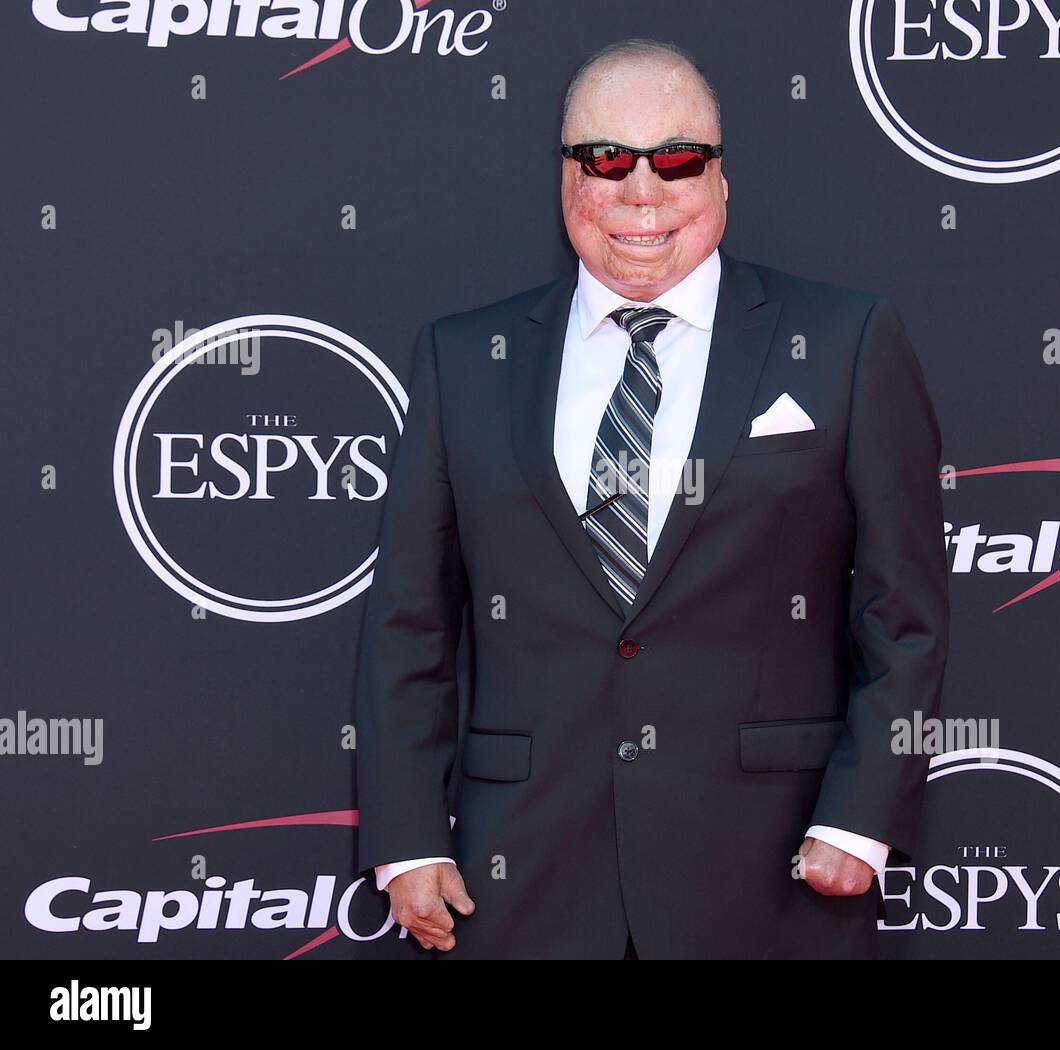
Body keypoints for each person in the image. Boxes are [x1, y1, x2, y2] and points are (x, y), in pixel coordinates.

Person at [354, 37, 949, 960]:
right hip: (522, 878)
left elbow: (904, 611)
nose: (642, 192)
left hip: (776, 873)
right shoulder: (465, 359)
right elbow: (411, 623)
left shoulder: (844, 342)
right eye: (606, 160)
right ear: (565, 179)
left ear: (720, 178)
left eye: (675, 159)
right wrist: (405, 838)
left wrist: (862, 815)